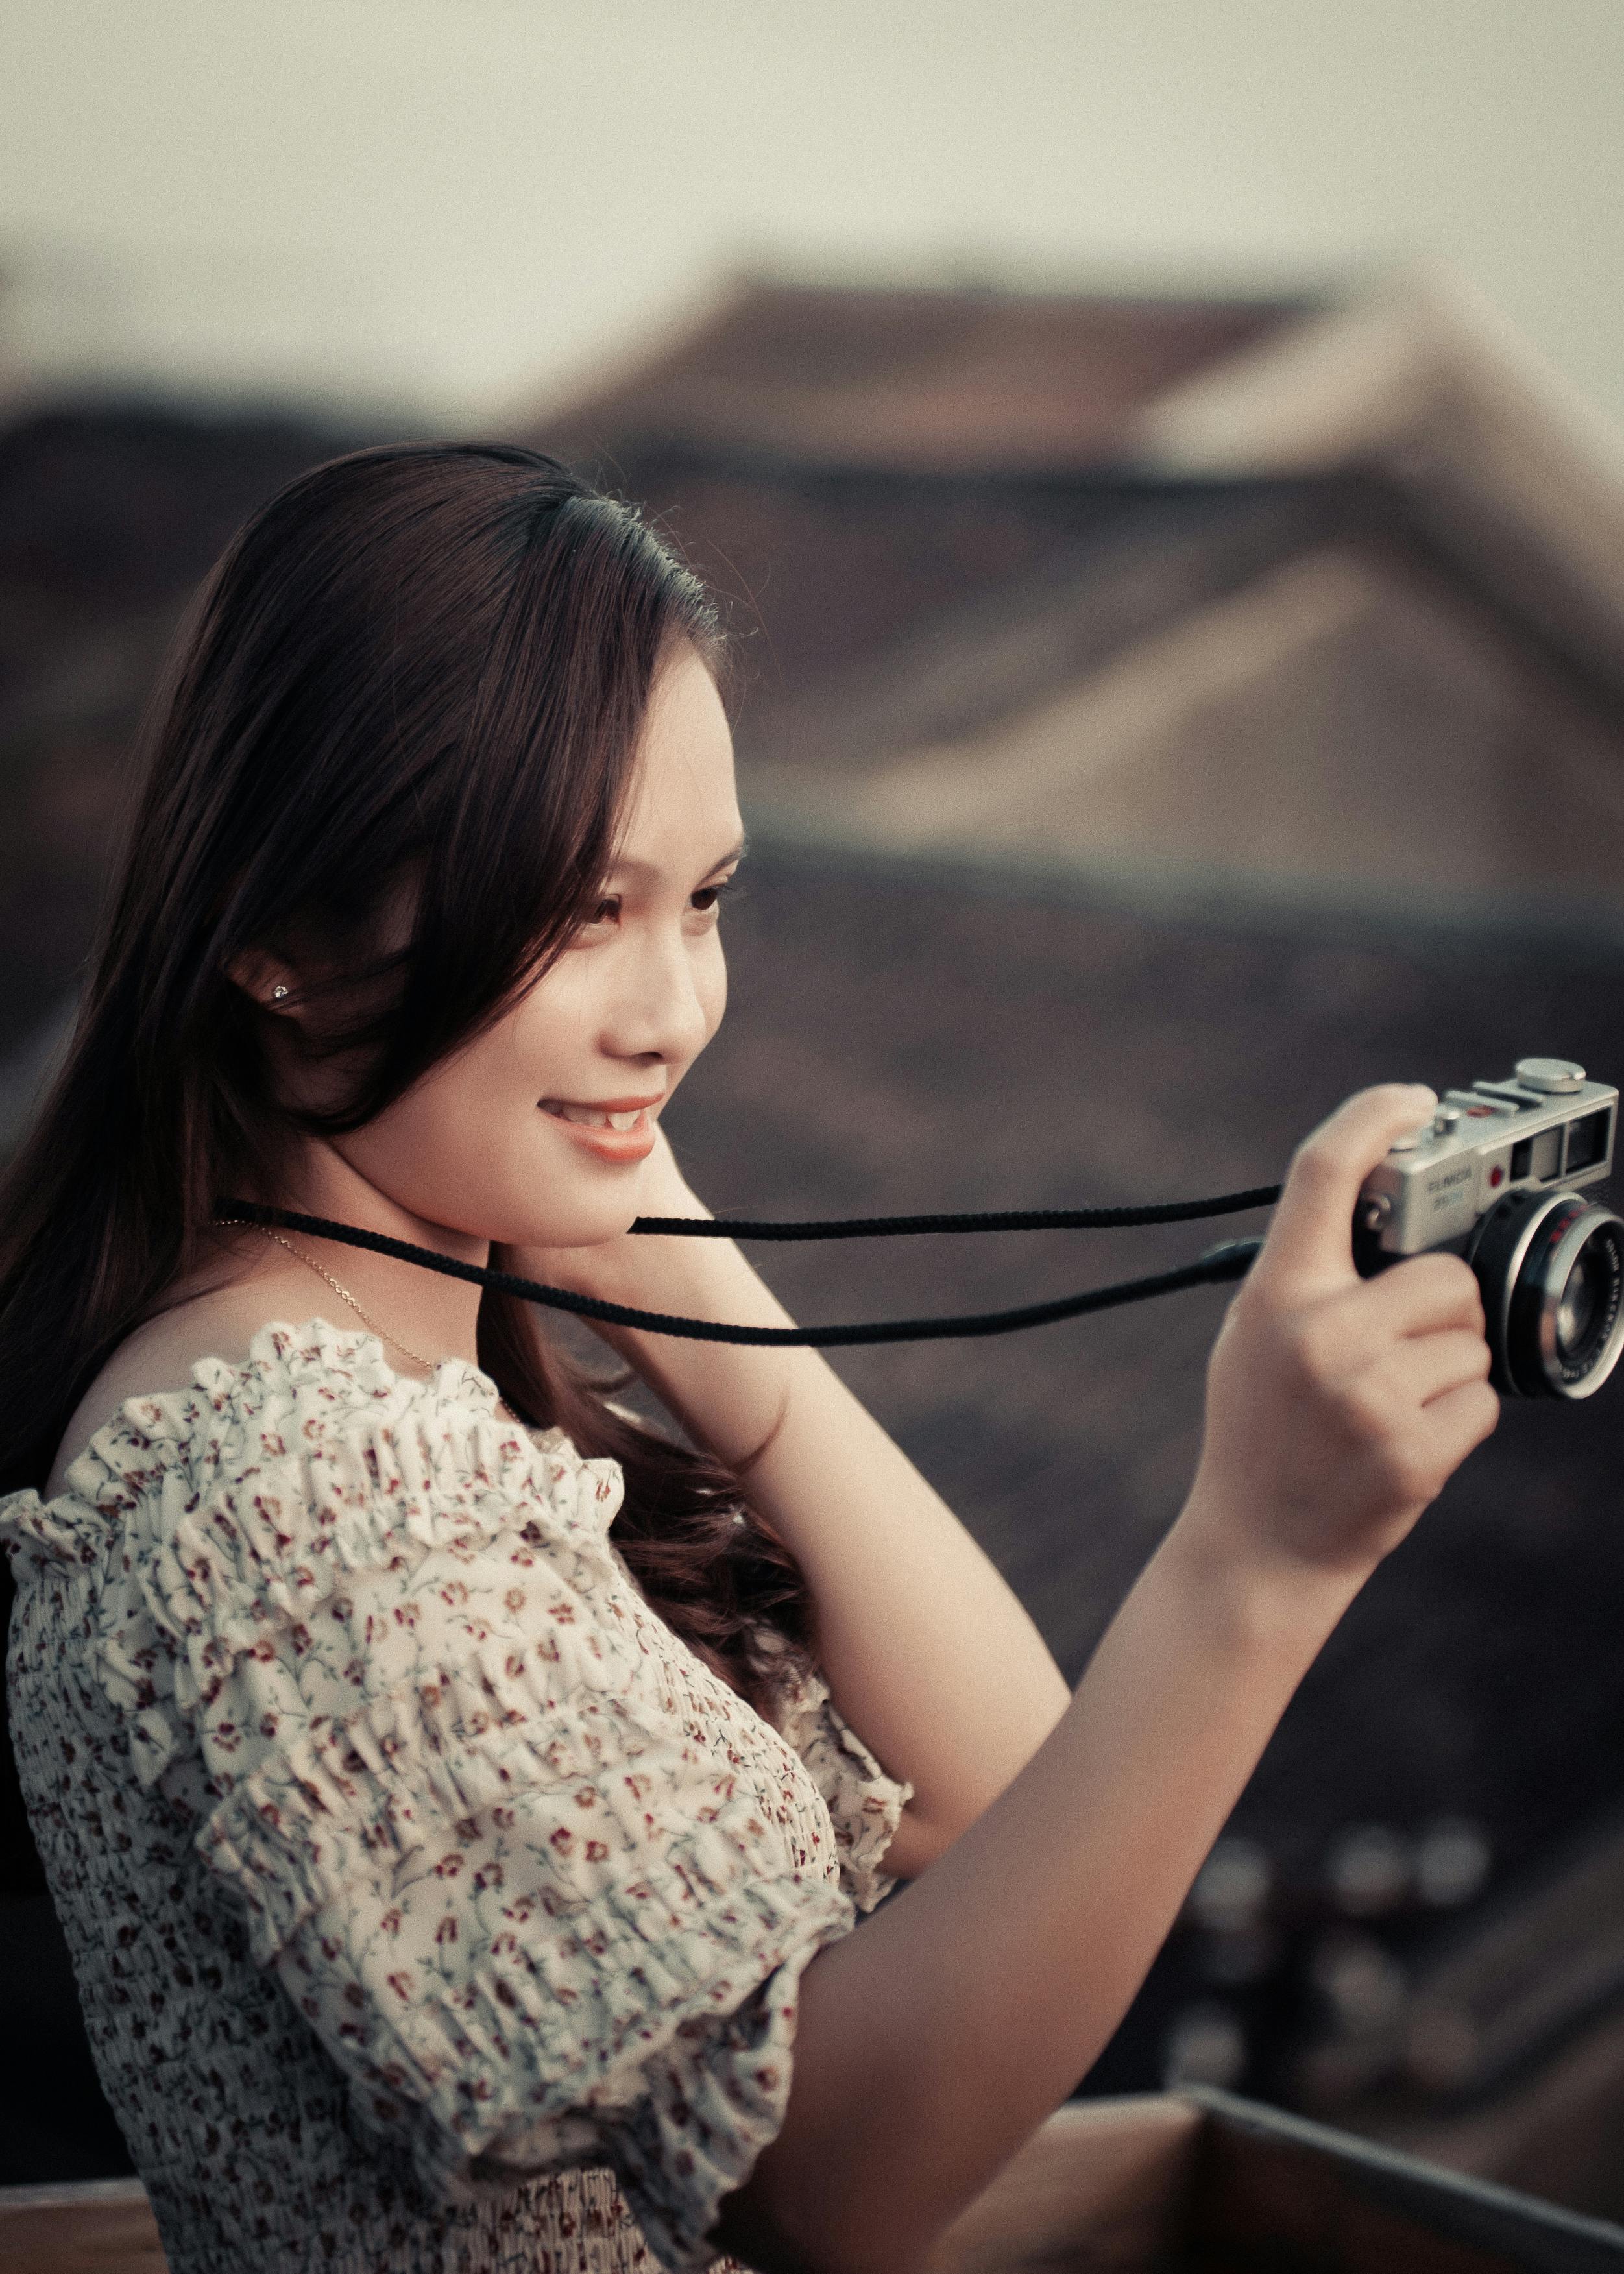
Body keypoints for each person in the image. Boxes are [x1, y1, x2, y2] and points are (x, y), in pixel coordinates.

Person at [0, 442, 1498, 2274]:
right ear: (279, 942)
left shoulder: (398, 1391)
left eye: (703, 902)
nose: (675, 1011)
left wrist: (692, 1292)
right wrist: (1261, 1558)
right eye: (579, 908)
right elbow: (817, 2179)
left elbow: (1016, 1806)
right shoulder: (300, 1483)